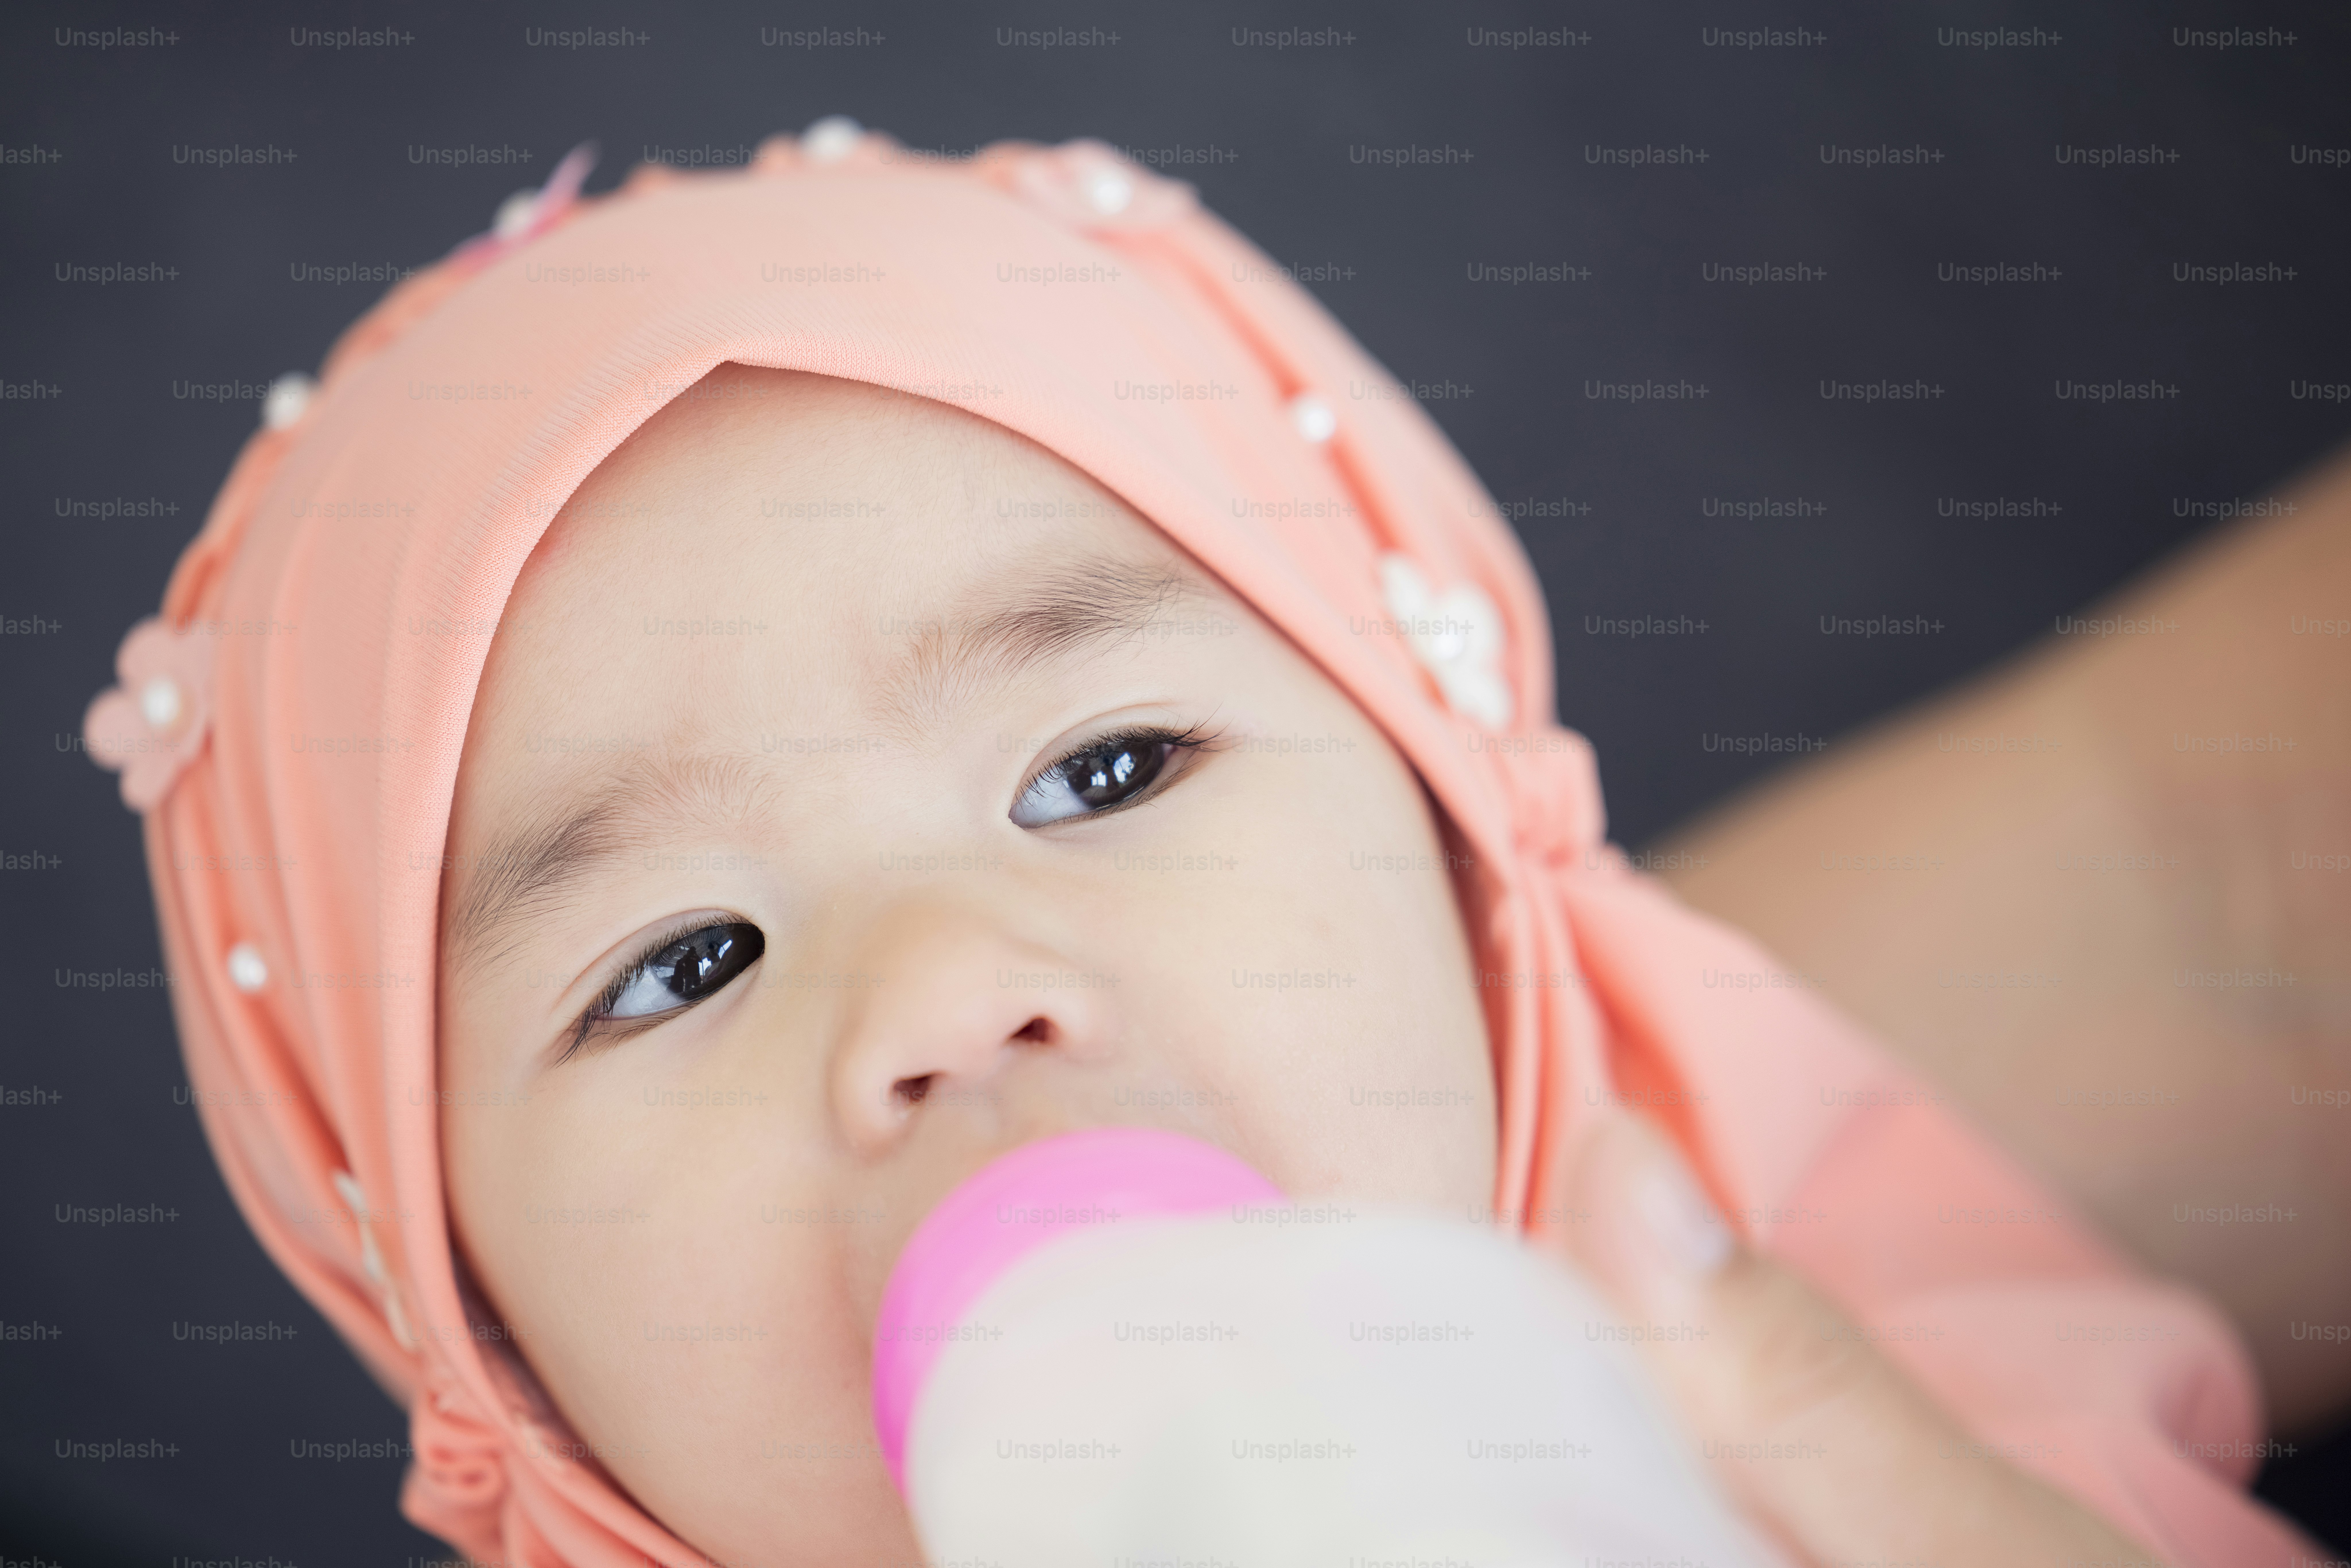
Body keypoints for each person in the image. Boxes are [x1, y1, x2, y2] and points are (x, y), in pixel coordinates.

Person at [83, 121, 2324, 1567]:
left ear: (1465, 855)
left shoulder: (1953, 1466)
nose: (951, 987)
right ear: (488, 1342)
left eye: (1106, 767)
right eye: (678, 959)